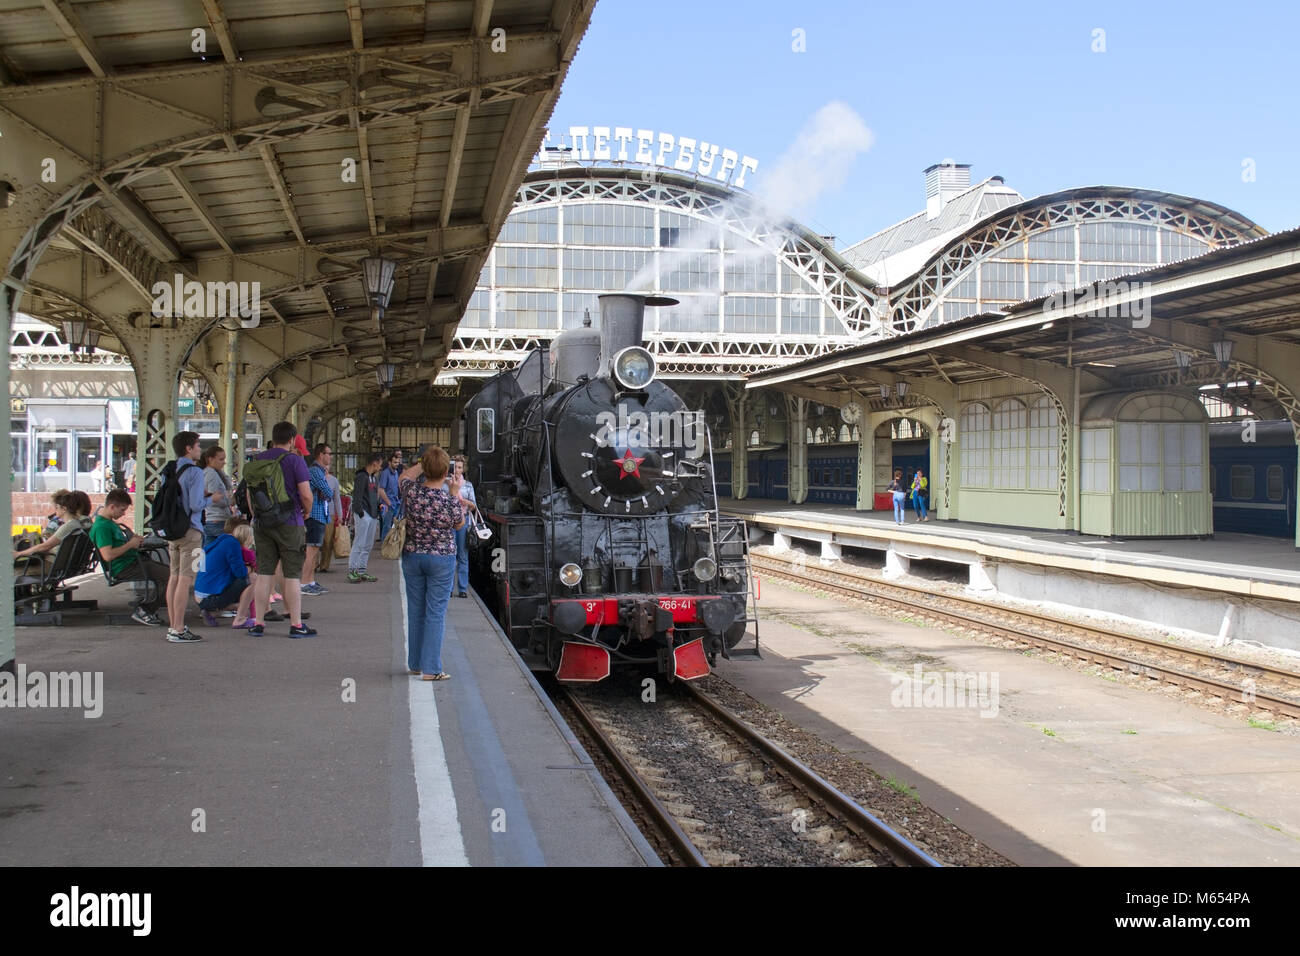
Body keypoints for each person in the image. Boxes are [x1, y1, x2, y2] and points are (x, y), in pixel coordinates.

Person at [243, 421, 316, 638]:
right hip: (290, 522)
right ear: (293, 439)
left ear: (273, 437)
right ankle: (296, 624)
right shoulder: (295, 461)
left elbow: (250, 494)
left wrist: (256, 515)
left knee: (265, 573)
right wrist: (307, 511)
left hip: (263, 523)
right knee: (292, 574)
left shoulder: (258, 460)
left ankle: (258, 623)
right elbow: (305, 494)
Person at [399, 446, 464, 681]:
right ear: (446, 471)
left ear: (424, 469)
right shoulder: (448, 500)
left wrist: (423, 462)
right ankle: (431, 669)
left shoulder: (412, 492)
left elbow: (404, 477)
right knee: (435, 612)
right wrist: (455, 492)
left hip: (413, 555)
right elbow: (459, 525)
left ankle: (415, 663)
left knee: (416, 609)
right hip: (441, 559)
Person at [89, 488, 167, 627]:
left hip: (132, 561)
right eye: (122, 510)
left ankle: (149, 607)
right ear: (112, 506)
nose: (123, 513)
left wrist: (133, 541)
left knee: (170, 575)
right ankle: (145, 610)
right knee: (170, 576)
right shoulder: (102, 527)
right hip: (124, 567)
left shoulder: (110, 523)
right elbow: (107, 555)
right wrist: (131, 544)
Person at [163, 431, 207, 643]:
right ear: (189, 449)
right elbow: (196, 505)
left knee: (174, 577)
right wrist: (212, 498)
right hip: (192, 530)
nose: (200, 449)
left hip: (173, 530)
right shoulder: (196, 472)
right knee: (186, 579)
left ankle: (173, 625)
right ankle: (179, 628)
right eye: (198, 445)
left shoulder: (169, 469)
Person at [194, 517, 255, 628]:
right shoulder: (232, 543)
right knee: (253, 578)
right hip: (211, 597)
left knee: (240, 596)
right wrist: (250, 568)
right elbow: (240, 573)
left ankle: (212, 612)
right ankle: (240, 619)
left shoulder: (220, 541)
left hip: (201, 596)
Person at [14, 490, 93, 573]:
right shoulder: (85, 522)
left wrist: (18, 554)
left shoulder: (69, 526)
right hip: (68, 564)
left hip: (53, 565)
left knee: (12, 569)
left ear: (64, 509)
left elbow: (45, 546)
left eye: (56, 507)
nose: (55, 511)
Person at [301, 443, 333, 596]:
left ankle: (311, 581)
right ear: (321, 454)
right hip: (314, 514)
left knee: (315, 551)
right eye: (328, 453)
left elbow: (327, 492)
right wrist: (326, 490)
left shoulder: (319, 471)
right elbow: (328, 491)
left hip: (320, 514)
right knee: (311, 550)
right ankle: (304, 582)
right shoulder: (315, 471)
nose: (330, 456)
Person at [348, 452, 384, 584]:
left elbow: (375, 495)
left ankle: (361, 570)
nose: (380, 467)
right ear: (374, 463)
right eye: (379, 464)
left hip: (373, 514)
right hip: (364, 513)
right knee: (359, 542)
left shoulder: (374, 478)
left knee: (368, 544)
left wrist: (379, 506)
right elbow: (357, 496)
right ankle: (353, 569)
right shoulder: (361, 477)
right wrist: (360, 512)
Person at [446, 454, 478, 598]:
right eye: (455, 467)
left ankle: (463, 588)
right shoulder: (445, 483)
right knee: (450, 556)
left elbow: (474, 506)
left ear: (463, 469)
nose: (457, 470)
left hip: (464, 522)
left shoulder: (468, 485)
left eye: (460, 467)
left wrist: (465, 501)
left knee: (463, 556)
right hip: (449, 523)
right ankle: (449, 587)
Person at [202, 445, 240, 547]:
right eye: (221, 459)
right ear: (211, 459)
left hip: (210, 519)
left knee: (208, 553)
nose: (224, 462)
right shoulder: (212, 474)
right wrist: (229, 501)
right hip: (218, 519)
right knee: (226, 550)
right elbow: (214, 498)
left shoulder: (208, 472)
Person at [317, 464, 342, 574]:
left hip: (329, 513)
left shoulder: (334, 481)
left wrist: (340, 515)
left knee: (328, 540)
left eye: (327, 465)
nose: (325, 467)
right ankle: (313, 563)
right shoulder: (315, 478)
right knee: (316, 541)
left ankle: (324, 565)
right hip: (317, 512)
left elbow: (337, 498)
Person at [378, 449, 402, 544]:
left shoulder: (396, 473)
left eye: (397, 462)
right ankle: (385, 544)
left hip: (395, 502)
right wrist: (388, 502)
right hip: (387, 504)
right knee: (387, 526)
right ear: (389, 462)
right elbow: (381, 489)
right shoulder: (385, 473)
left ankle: (390, 544)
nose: (396, 464)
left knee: (393, 526)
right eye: (394, 462)